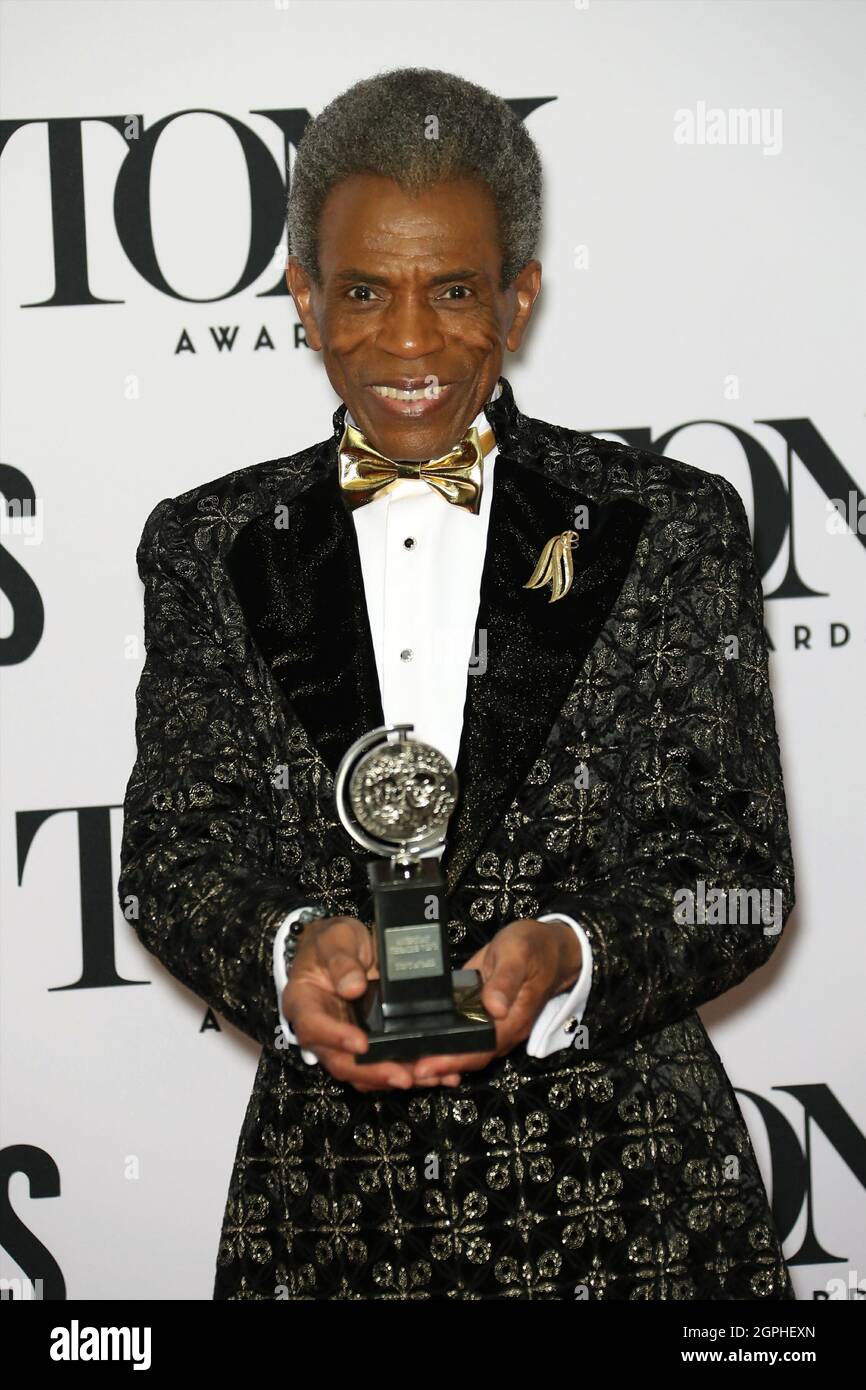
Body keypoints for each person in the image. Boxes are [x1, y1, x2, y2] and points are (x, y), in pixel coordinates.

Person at [118, 67, 796, 1300]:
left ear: (518, 297)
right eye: (365, 291)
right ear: (304, 298)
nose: (410, 341)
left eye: (454, 290)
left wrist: (573, 956)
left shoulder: (670, 526)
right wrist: (284, 954)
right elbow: (173, 857)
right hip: (327, 1216)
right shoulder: (206, 545)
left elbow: (736, 876)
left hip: (630, 1208)